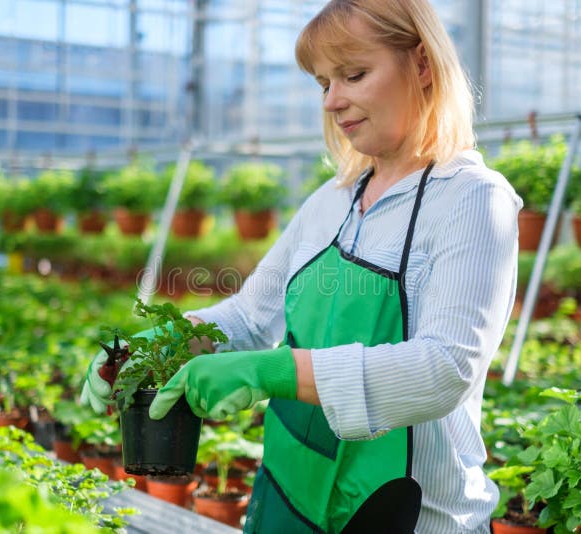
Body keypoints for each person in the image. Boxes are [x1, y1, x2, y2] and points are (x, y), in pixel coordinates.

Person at [82, 0, 521, 532]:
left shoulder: (471, 199)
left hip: (410, 516)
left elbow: (444, 369)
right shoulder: (330, 202)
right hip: (291, 498)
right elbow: (249, 317)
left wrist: (275, 370)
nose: (333, 101)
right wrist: (145, 351)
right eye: (323, 84)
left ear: (423, 64)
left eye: (354, 75)